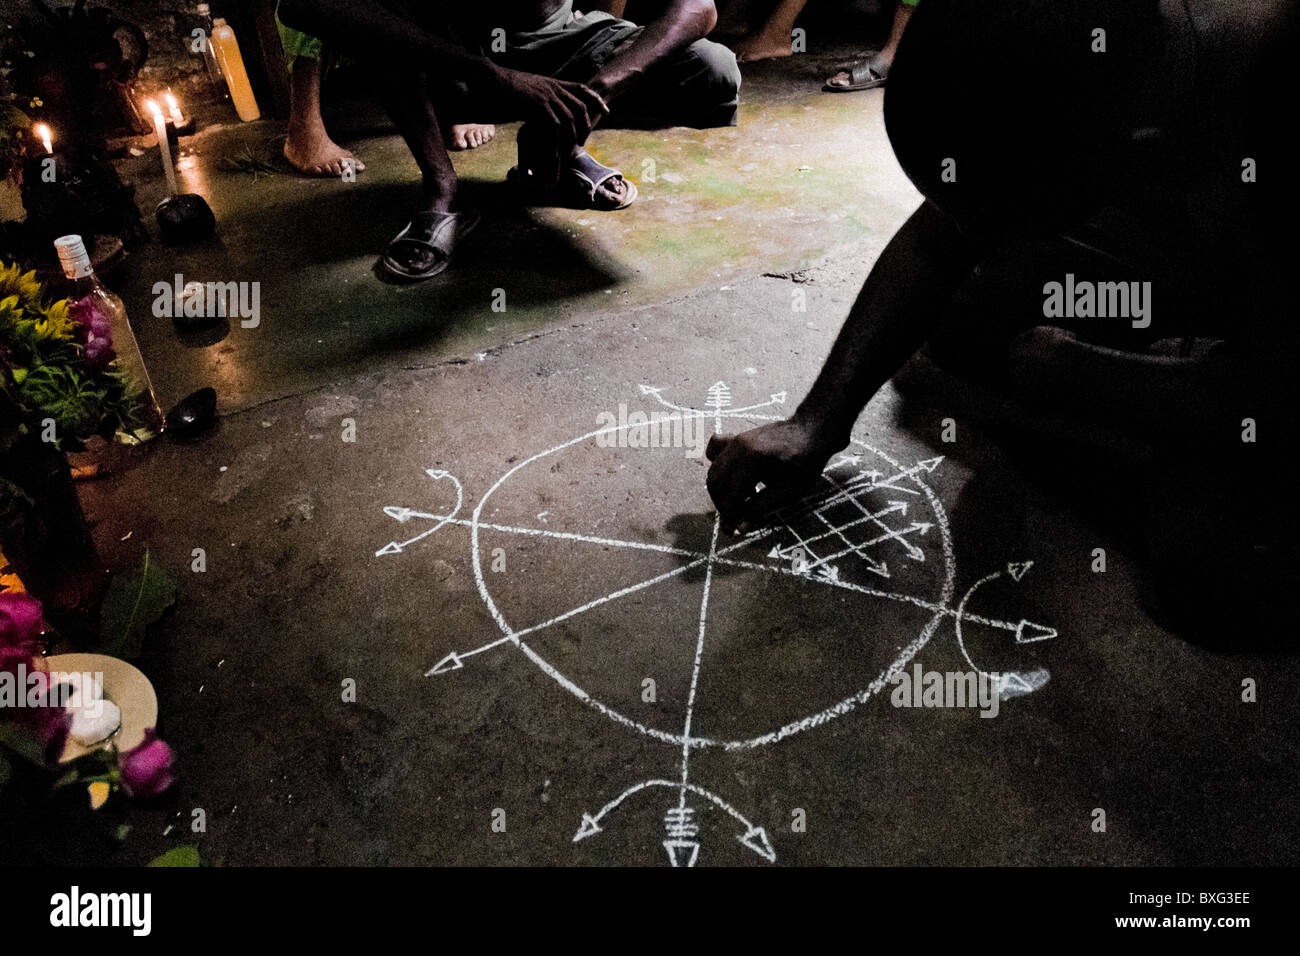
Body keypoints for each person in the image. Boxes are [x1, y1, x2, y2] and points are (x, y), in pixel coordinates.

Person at [704, 0, 1297, 639]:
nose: (981, 235)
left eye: (1001, 214)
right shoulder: (1103, 81)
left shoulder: (1260, 109)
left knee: (1211, 569)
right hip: (1188, 219)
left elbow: (1272, 385)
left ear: (1131, 157)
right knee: (969, 324)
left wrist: (1104, 378)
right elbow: (943, 235)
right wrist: (819, 418)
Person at [278, 0, 741, 280]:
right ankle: (443, 187)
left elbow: (700, 7)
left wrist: (599, 94)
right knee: (380, 31)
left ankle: (557, 146)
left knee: (712, 70)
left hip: (563, 38)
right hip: (452, 61)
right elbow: (305, 5)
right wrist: (491, 74)